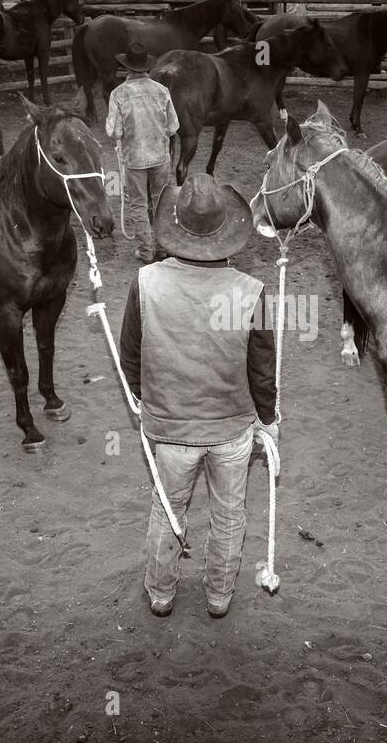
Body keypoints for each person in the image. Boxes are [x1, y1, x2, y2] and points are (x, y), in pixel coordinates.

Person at [119, 174, 279, 619]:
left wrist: (147, 402)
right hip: (231, 430)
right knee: (229, 515)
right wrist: (268, 420)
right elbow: (261, 370)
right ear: (227, 232)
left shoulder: (145, 282)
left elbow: (130, 357)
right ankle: (219, 596)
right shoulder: (252, 292)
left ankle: (161, 594)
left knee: (167, 510)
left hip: (170, 431)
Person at [105, 40, 180, 263]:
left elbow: (114, 131)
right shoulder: (161, 90)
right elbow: (173, 126)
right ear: (146, 66)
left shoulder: (118, 94)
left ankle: (146, 252)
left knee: (138, 203)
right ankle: (162, 248)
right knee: (160, 201)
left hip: (134, 158)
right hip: (159, 156)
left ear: (127, 67)